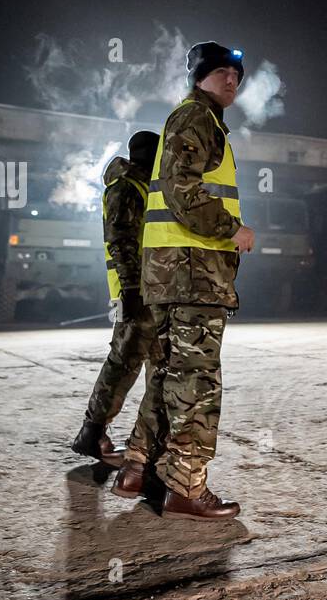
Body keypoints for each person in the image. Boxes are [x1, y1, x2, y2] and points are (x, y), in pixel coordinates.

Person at [113, 41, 255, 520]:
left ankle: (137, 470)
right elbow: (183, 191)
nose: (231, 80)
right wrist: (233, 228)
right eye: (220, 72)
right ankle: (186, 488)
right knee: (197, 382)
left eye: (236, 74)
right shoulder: (196, 118)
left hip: (176, 275)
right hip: (194, 275)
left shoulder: (195, 119)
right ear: (199, 77)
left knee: (169, 375)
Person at [70, 130, 160, 465]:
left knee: (144, 363)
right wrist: (133, 290)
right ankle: (92, 433)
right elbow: (120, 242)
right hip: (135, 293)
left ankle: (107, 436)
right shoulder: (127, 187)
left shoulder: (143, 186)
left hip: (145, 292)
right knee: (123, 363)